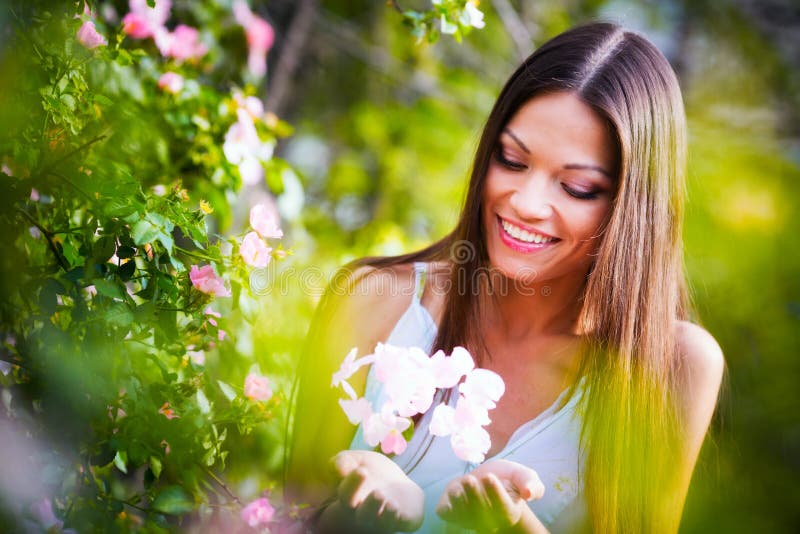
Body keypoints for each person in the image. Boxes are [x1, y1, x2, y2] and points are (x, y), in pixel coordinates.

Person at [286, 21, 724, 533]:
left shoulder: (672, 367)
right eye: (511, 160)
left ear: (633, 208)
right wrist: (360, 516)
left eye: (578, 187)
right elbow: (278, 518)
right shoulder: (375, 301)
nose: (525, 203)